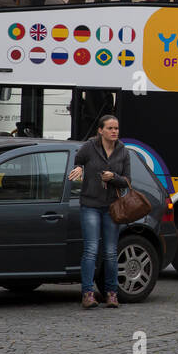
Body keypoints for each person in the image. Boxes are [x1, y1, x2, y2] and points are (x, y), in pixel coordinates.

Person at [68, 114, 131, 309]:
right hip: (91, 205)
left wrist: (114, 177)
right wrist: (78, 168)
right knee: (91, 250)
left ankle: (112, 294)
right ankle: (87, 294)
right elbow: (78, 161)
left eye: (117, 128)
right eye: (110, 128)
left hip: (112, 207)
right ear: (100, 130)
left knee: (111, 252)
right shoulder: (89, 147)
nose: (114, 132)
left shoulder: (123, 151)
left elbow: (128, 181)